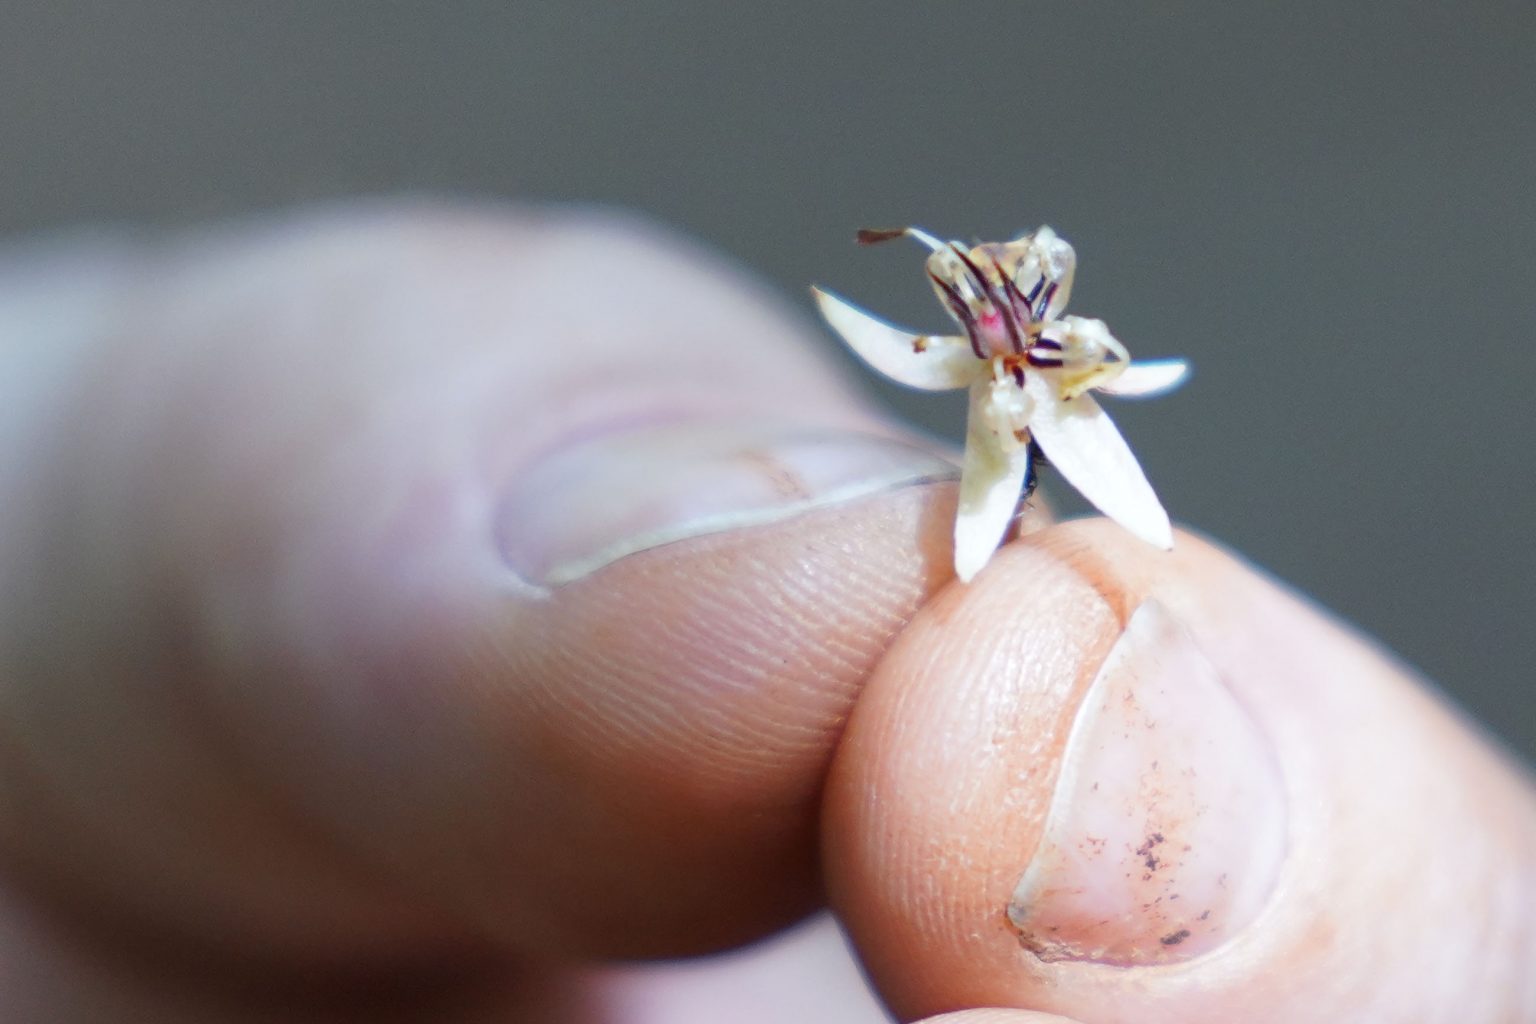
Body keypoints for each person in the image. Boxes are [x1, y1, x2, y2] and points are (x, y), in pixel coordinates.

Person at [0, 200, 1530, 1023]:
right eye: (993, 315)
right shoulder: (987, 409)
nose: (1002, 316)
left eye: (1018, 311)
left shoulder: (1038, 397)